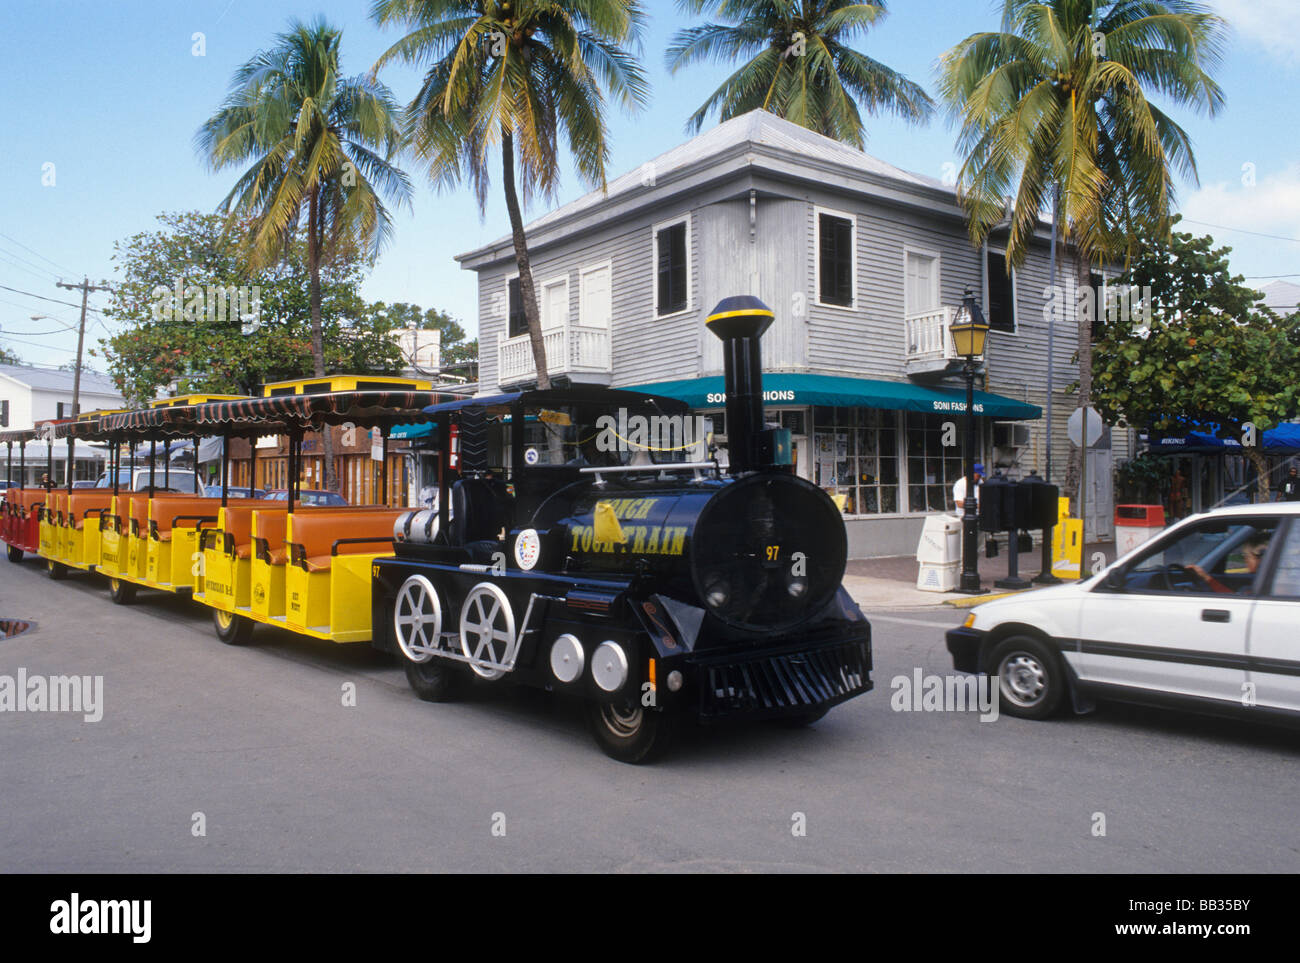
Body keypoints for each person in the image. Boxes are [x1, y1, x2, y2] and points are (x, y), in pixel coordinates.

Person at [1187, 532, 1270, 594]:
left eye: (1247, 556)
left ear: (1260, 558)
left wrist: (1207, 578)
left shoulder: (1266, 586)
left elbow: (1236, 602)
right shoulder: (1268, 580)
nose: (1245, 560)